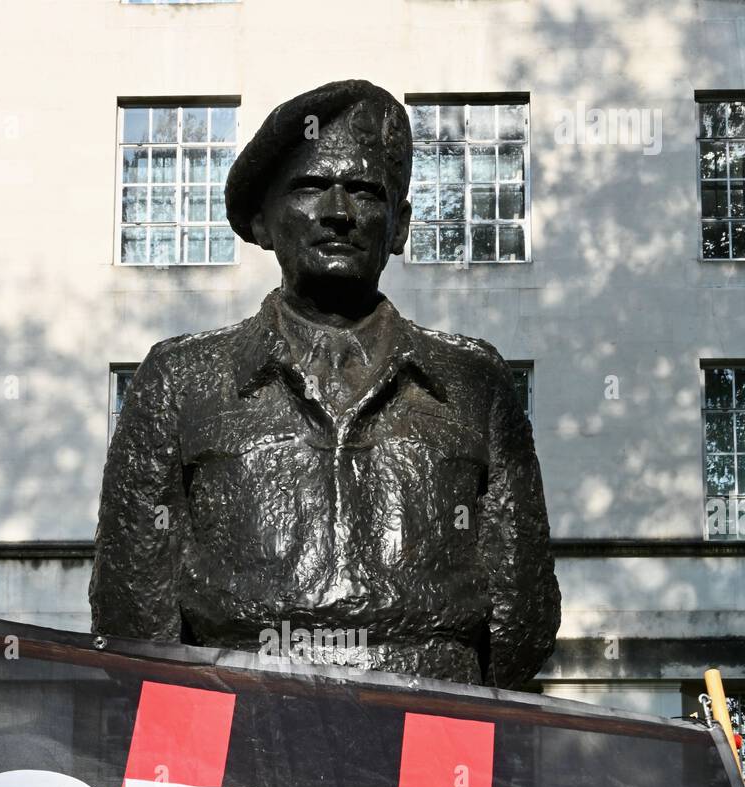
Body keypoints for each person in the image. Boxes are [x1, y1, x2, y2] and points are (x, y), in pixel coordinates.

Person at [90, 79, 560, 687]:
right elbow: (132, 616)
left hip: (435, 733)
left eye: (365, 191)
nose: (338, 211)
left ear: (399, 226)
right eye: (311, 187)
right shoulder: (179, 381)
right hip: (241, 726)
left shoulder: (476, 383)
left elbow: (521, 622)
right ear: (262, 220)